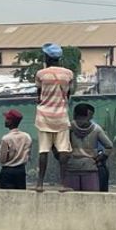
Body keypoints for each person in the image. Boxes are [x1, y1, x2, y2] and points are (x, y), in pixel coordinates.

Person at [35, 43, 75, 193]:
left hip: (44, 116)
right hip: (61, 115)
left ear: (46, 57)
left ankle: (40, 184)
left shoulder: (41, 74)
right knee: (63, 149)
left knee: (43, 150)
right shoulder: (69, 74)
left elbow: (38, 96)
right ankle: (63, 184)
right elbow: (69, 95)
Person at [65, 103, 113, 193]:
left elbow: (58, 146)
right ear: (87, 114)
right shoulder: (96, 129)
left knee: (71, 201)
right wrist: (99, 159)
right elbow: (109, 146)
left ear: (75, 114)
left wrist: (64, 158)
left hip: (71, 167)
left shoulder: (68, 128)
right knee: (92, 199)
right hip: (90, 168)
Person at [0, 109, 31, 191]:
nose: (5, 121)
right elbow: (27, 153)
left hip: (7, 172)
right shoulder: (26, 137)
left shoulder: (6, 139)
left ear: (11, 122)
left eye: (7, 119)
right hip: (21, 171)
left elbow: (2, 159)